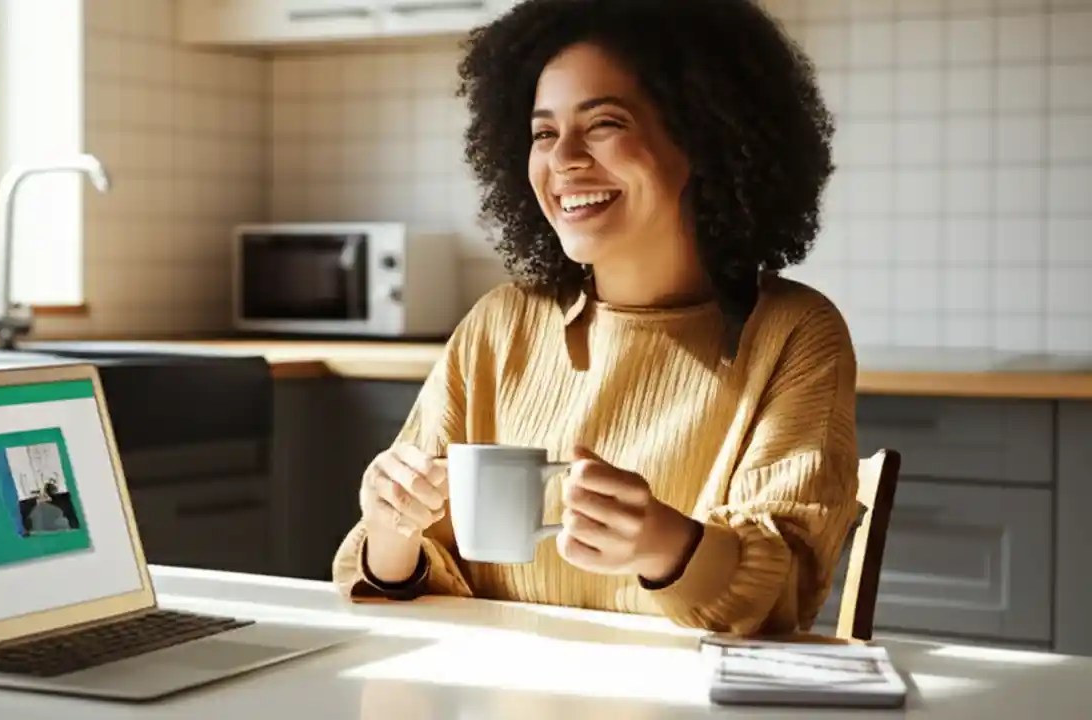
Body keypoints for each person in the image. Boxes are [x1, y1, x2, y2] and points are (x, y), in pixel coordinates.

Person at [331, 0, 857, 636]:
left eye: (604, 123)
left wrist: (666, 546)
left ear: (704, 136)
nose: (563, 160)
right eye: (544, 132)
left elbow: (787, 599)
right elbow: (403, 586)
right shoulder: (500, 327)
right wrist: (392, 527)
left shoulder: (795, 333)